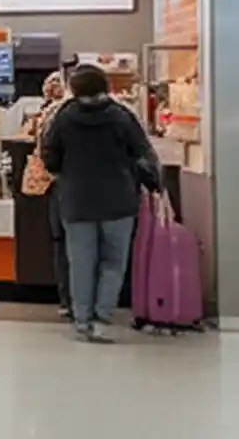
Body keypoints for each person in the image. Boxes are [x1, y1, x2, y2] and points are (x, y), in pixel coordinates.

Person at [41, 64, 160, 343]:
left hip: (76, 199)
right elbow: (143, 153)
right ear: (105, 86)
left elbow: (49, 155)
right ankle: (101, 318)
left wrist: (64, 174)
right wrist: (151, 181)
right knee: (113, 262)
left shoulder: (63, 117)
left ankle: (81, 320)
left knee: (81, 262)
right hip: (118, 200)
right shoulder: (122, 117)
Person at [21, 71, 71, 318]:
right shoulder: (61, 112)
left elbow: (45, 150)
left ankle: (69, 300)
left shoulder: (48, 114)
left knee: (62, 242)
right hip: (86, 187)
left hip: (56, 184)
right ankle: (93, 304)